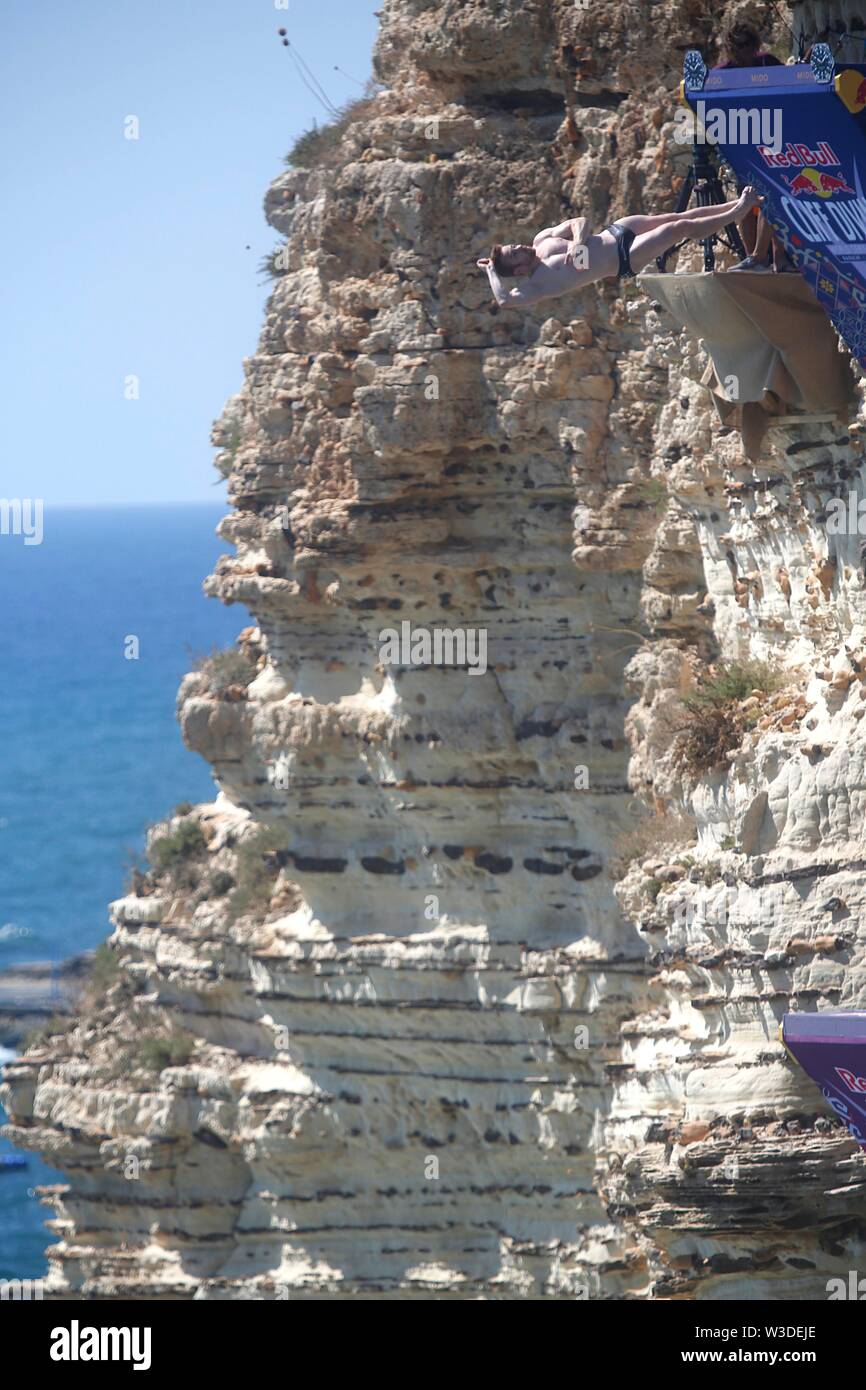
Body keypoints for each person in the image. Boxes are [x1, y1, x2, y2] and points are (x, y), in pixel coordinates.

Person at [477, 188, 759, 308]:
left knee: (675, 217)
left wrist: (577, 242)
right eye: (516, 253)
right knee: (678, 229)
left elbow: (581, 221)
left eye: (515, 245)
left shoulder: (542, 239)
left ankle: (735, 205)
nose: (521, 247)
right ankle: (736, 214)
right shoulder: (537, 285)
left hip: (616, 231)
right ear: (520, 269)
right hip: (623, 258)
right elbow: (504, 301)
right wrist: (492, 271)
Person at [715, 21, 794, 272]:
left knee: (772, 195)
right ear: (731, 50)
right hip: (741, 143)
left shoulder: (767, 62)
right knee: (746, 201)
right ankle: (753, 259)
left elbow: (790, 91)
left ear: (755, 47)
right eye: (740, 52)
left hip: (773, 141)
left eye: (750, 50)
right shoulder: (722, 73)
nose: (746, 57)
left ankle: (775, 257)